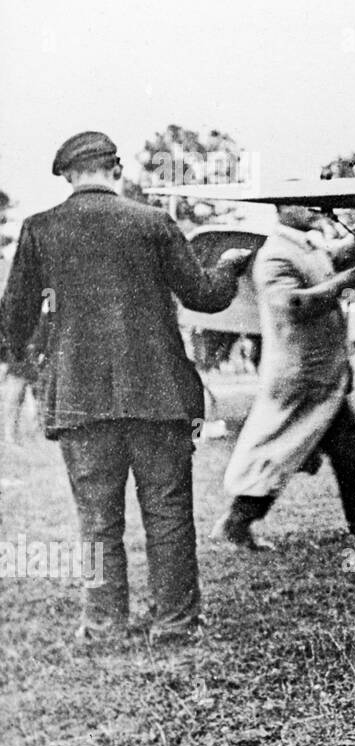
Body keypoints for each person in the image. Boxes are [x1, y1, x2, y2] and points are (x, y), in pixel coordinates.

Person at [0, 131, 252, 643]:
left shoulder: (39, 229)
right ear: (115, 169)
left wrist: (37, 359)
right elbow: (204, 297)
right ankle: (177, 624)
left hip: (78, 398)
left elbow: (14, 319)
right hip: (159, 394)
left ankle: (104, 622)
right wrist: (227, 266)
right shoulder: (152, 222)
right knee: (168, 512)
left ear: (69, 176)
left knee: (96, 518)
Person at [213, 205, 355, 552]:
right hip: (300, 377)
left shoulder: (306, 246)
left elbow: (333, 260)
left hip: (319, 375)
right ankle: (237, 522)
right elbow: (292, 305)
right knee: (281, 452)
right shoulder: (274, 255)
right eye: (299, 201)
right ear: (281, 208)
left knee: (345, 451)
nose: (311, 207)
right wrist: (340, 284)